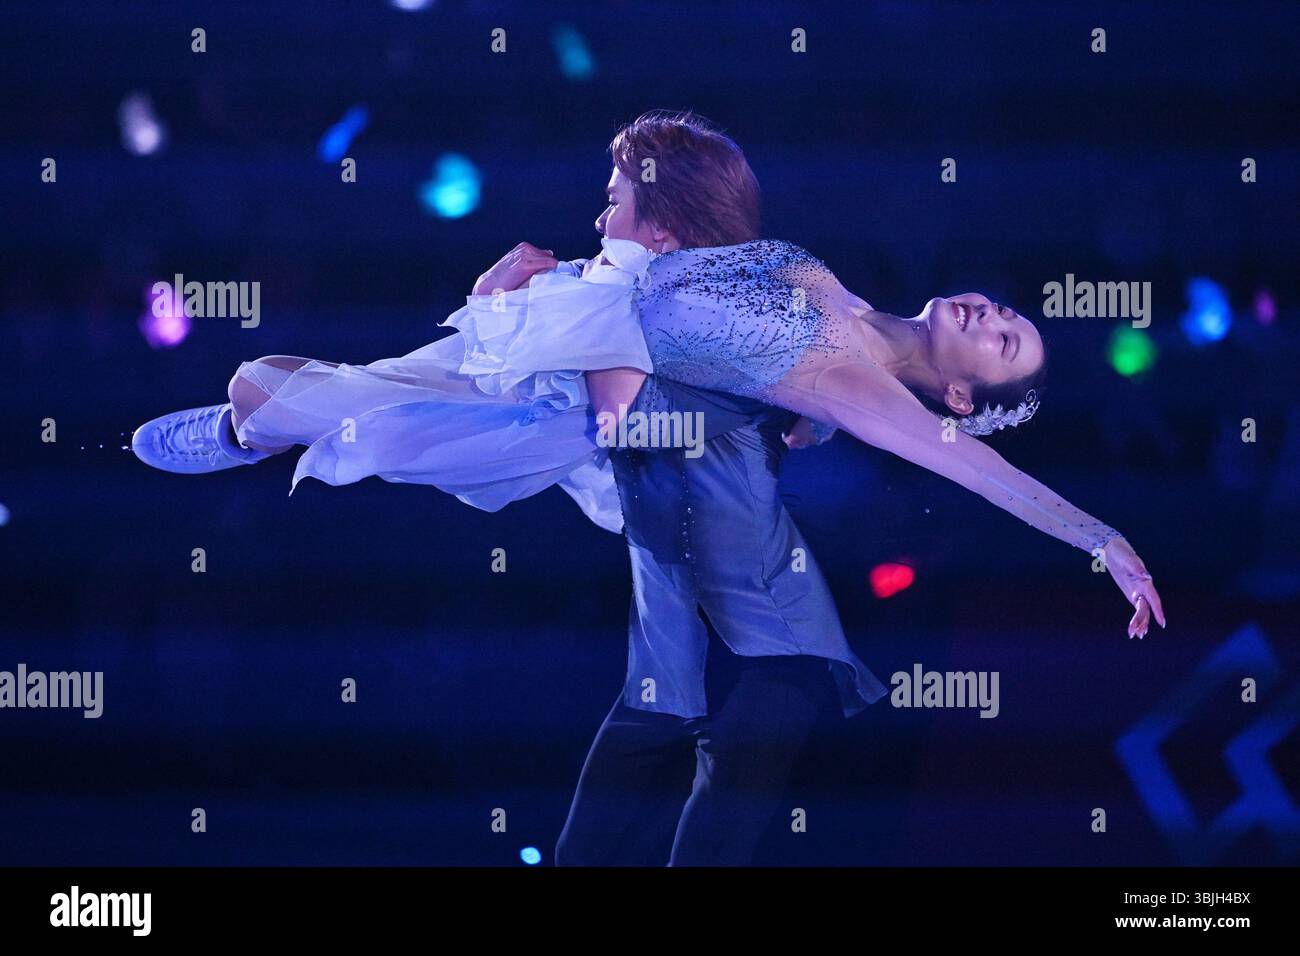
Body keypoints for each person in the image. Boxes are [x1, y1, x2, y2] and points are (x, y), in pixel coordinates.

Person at [131, 111, 1164, 865]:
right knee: (258, 388)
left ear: (957, 387)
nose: (992, 316)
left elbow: (974, 466)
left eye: (1002, 342)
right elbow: (705, 284)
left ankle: (265, 436)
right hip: (574, 316)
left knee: (345, 421)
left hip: (572, 403)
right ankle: (245, 432)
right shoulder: (827, 290)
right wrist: (613, 244)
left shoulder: (865, 387)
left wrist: (1102, 538)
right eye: (1005, 313)